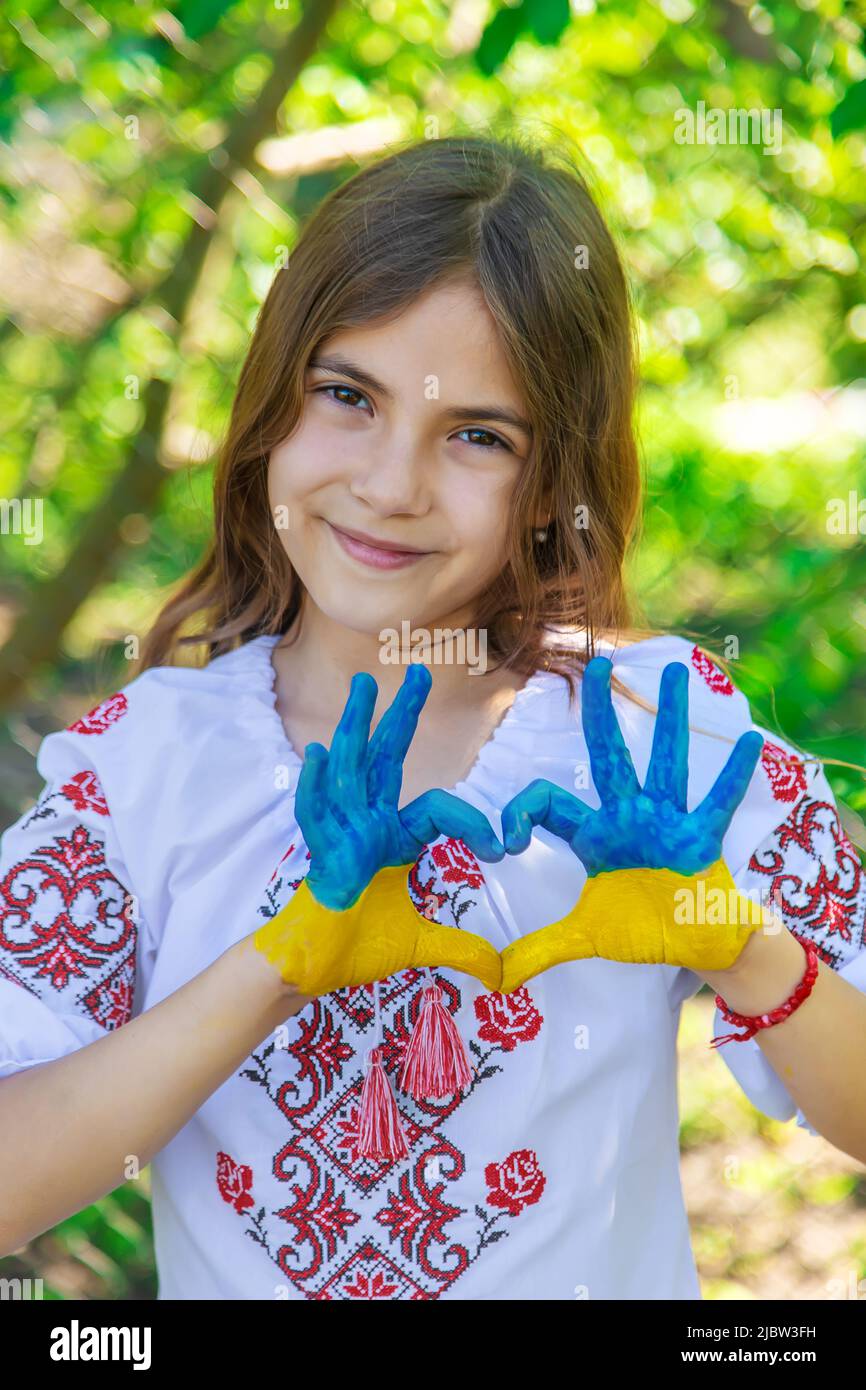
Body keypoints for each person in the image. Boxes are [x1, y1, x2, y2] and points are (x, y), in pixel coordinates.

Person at [1, 135, 864, 1301]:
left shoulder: (654, 741)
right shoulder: (146, 764)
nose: (392, 481)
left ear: (555, 472)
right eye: (346, 396)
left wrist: (739, 941)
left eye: (476, 434)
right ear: (269, 403)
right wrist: (273, 966)